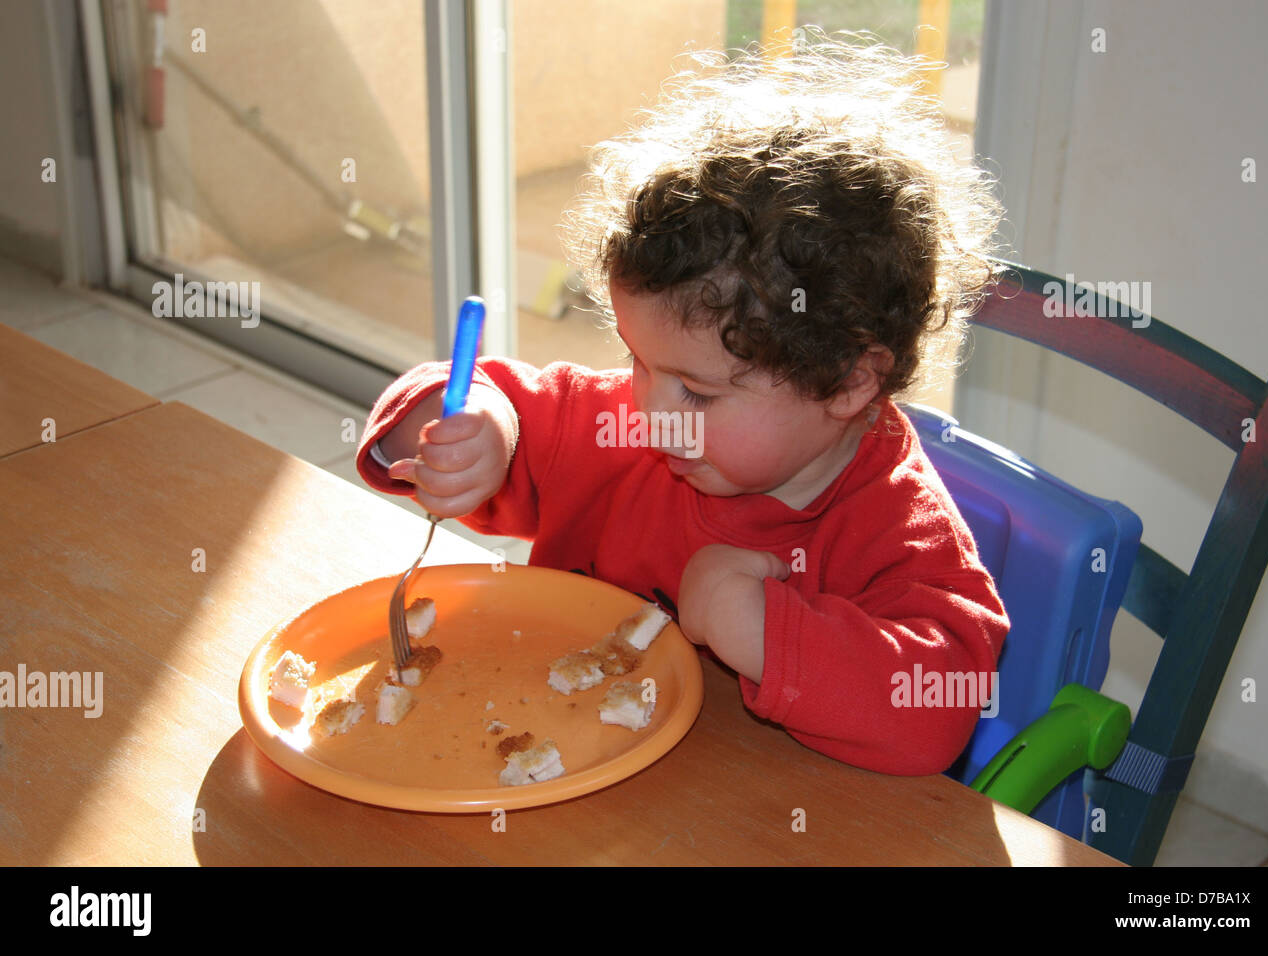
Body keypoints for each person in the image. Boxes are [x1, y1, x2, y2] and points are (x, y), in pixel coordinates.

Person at [357, 30, 1010, 775]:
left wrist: (756, 625)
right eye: (638, 363)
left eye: (696, 392)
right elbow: (486, 399)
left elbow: (938, 710)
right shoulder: (621, 430)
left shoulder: (899, 531)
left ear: (849, 381)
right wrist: (476, 429)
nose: (649, 412)